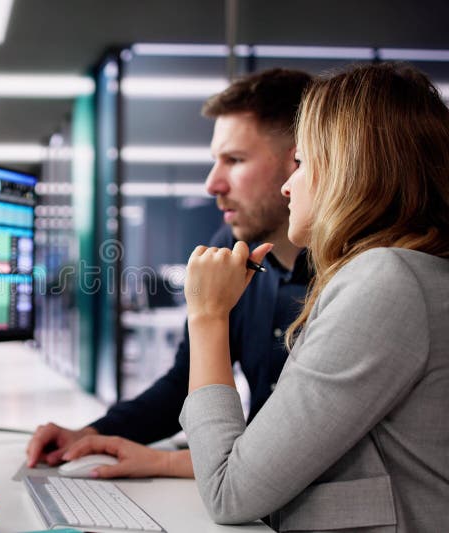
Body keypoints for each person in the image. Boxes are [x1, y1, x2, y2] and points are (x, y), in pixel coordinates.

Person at [175, 63, 449, 531]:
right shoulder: (397, 273)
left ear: (351, 166)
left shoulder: (388, 280)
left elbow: (230, 492)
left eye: (300, 163)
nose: (288, 184)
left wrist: (207, 314)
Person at [26, 68, 313, 477]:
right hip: (250, 494)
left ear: (299, 162)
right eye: (216, 160)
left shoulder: (355, 278)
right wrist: (90, 433)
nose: (213, 183)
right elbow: (184, 382)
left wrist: (166, 462)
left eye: (234, 160)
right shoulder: (230, 251)